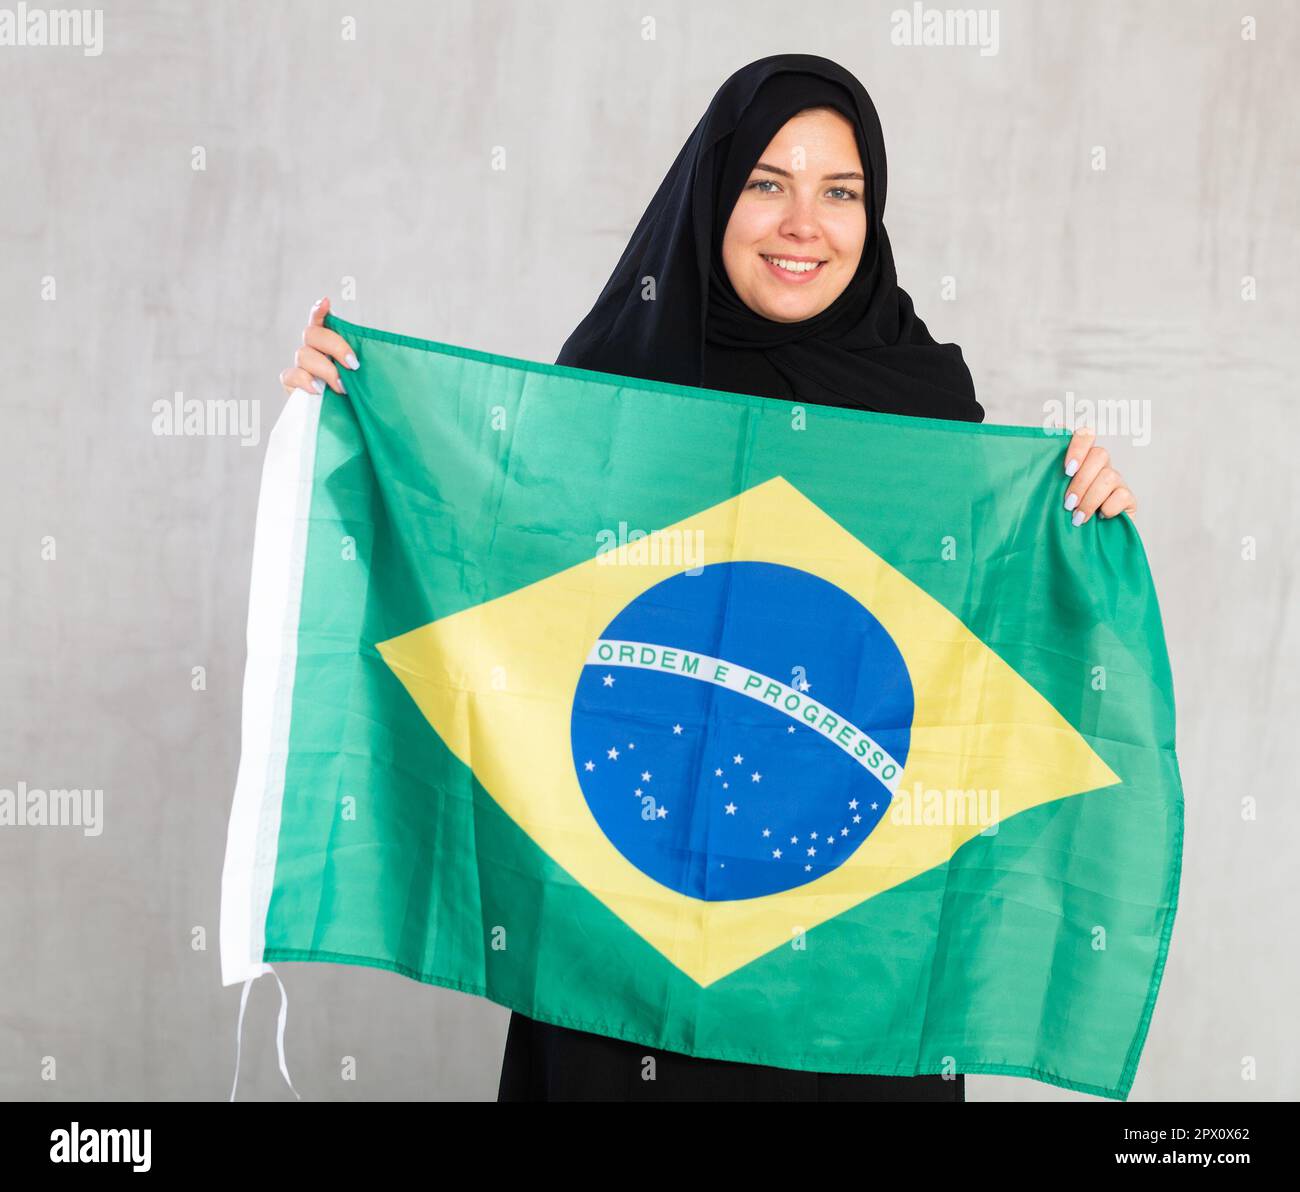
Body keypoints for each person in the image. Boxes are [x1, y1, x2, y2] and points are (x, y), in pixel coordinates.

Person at [278, 53, 1138, 1101]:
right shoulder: (613, 391)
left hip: (852, 977)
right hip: (623, 965)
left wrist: (1080, 515)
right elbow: (472, 564)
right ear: (713, 193)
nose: (802, 224)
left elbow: (994, 661)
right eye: (767, 183)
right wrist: (358, 421)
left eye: (840, 192)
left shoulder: (928, 409)